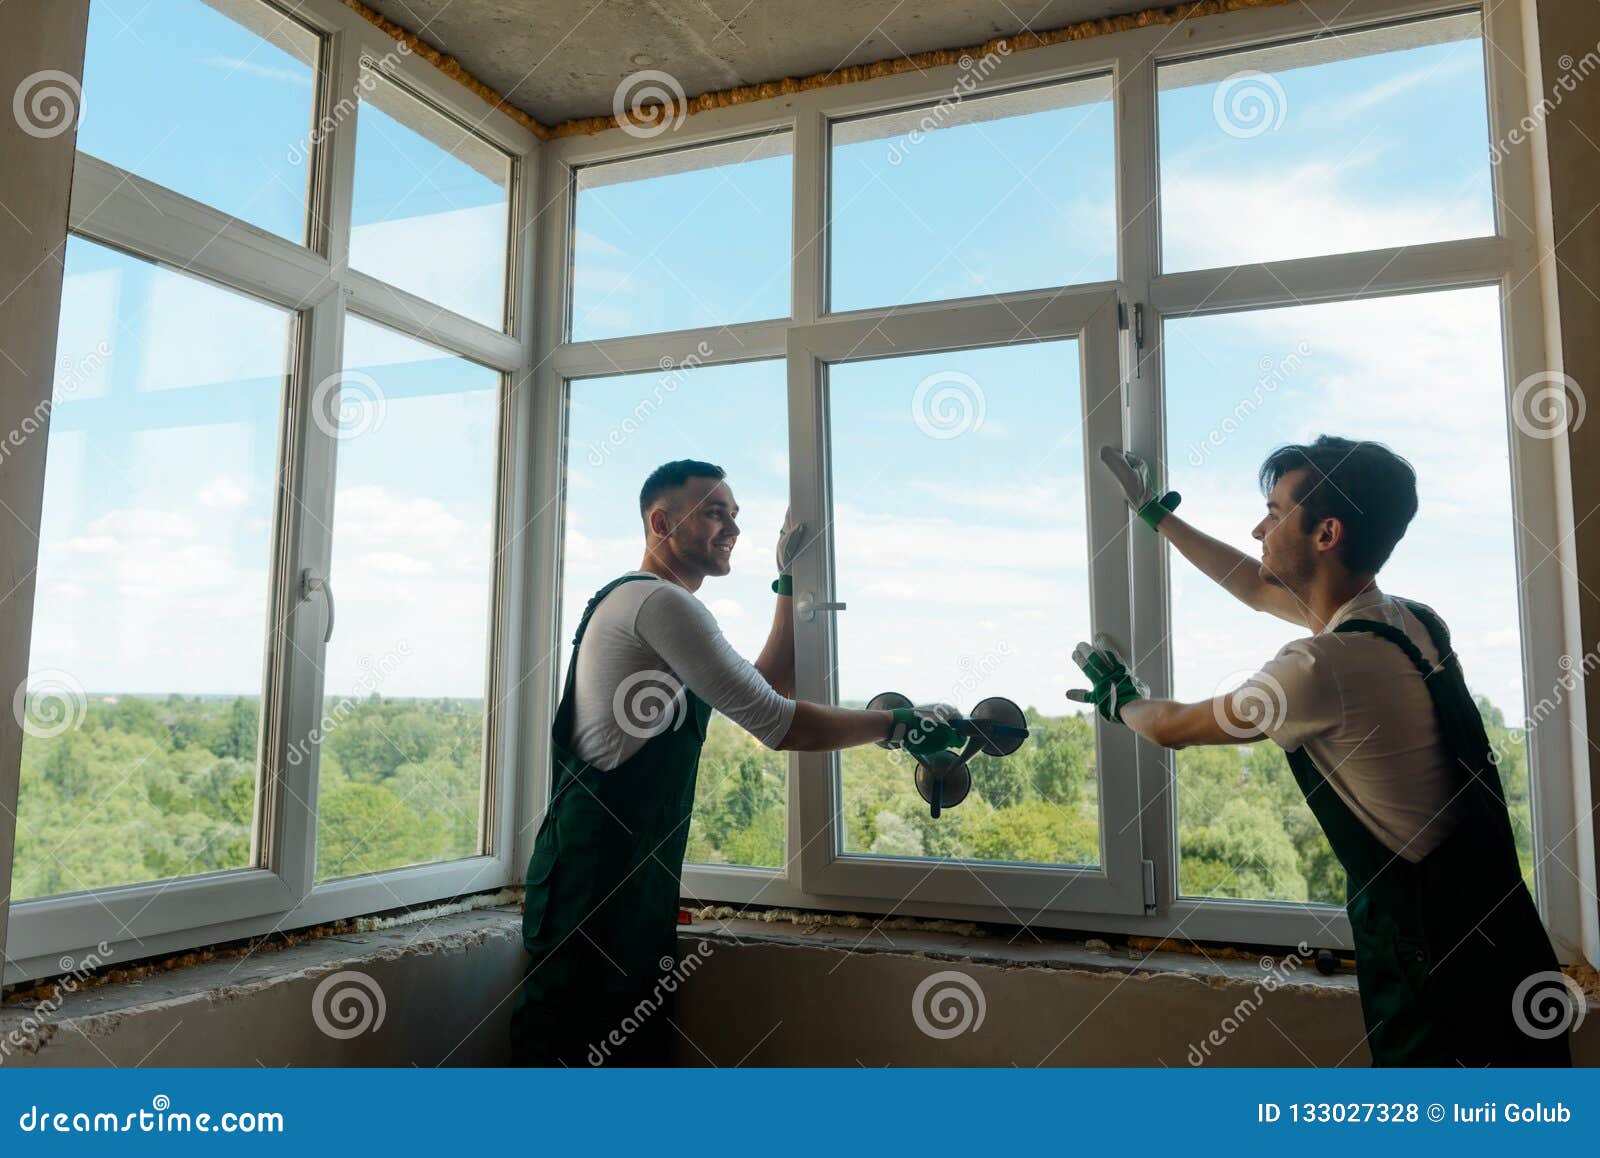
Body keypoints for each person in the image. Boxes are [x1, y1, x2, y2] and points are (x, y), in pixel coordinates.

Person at [1069, 436, 1571, 1067]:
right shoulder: (1411, 621)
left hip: (1442, 981)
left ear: (1325, 533)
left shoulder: (1315, 670)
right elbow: (1254, 588)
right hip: (1508, 945)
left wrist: (1121, 701)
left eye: (1275, 512)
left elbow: (1172, 726)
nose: (1260, 527)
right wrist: (1156, 514)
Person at [510, 459, 962, 1066]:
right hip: (594, 889)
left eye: (736, 515)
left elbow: (763, 687)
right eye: (714, 512)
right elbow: (780, 724)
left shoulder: (658, 608)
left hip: (624, 883)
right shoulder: (659, 606)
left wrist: (788, 584)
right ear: (661, 521)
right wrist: (896, 723)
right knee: (571, 1055)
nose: (732, 527)